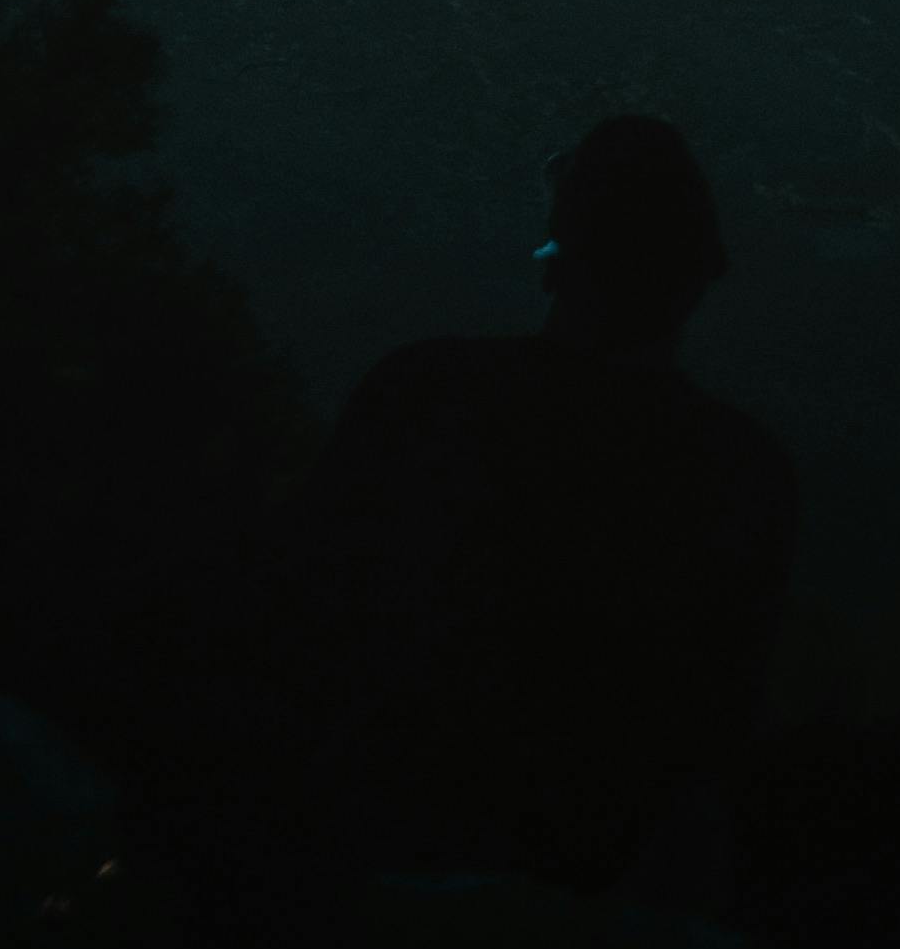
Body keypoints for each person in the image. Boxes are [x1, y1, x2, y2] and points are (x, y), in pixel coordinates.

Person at [299, 113, 797, 901]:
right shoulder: (747, 475)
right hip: (594, 890)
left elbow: (304, 608)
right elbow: (721, 723)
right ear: (699, 278)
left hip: (374, 850)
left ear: (554, 265)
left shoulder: (421, 394)